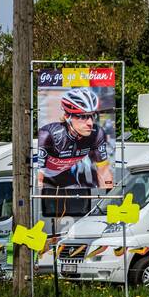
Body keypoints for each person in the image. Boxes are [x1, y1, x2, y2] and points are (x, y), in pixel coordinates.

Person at [36, 87, 113, 217]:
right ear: (67, 117)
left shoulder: (97, 133)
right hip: (50, 179)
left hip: (70, 175)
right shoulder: (48, 134)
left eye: (92, 116)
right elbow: (40, 178)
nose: (90, 123)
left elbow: (104, 173)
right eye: (83, 117)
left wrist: (110, 203)